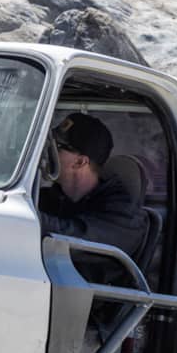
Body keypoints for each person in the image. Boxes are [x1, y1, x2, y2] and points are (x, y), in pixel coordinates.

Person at [38, 112, 149, 267]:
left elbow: (74, 238)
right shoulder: (52, 197)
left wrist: (26, 219)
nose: (47, 152)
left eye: (56, 146)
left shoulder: (123, 215)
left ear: (80, 162)